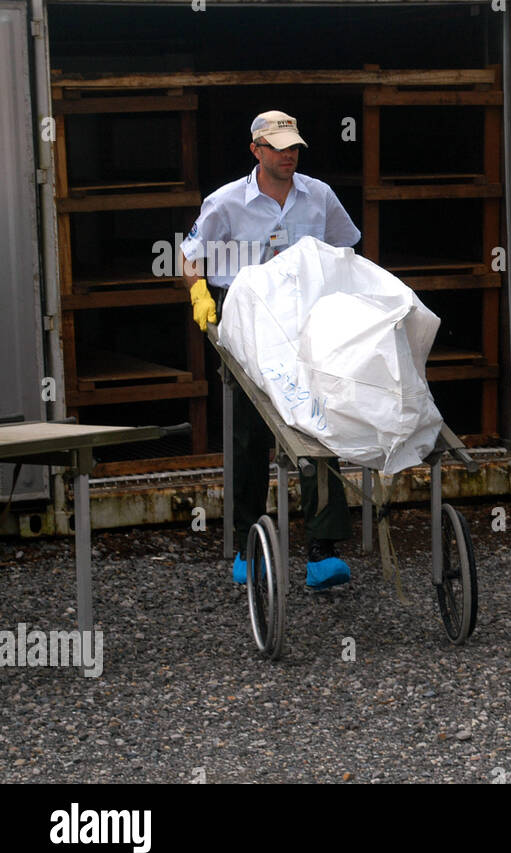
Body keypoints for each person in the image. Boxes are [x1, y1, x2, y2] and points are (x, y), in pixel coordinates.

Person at [182, 110, 361, 590]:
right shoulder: (226, 202)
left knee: (315, 422)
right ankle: (248, 545)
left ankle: (323, 551)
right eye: (279, 148)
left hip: (304, 316)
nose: (289, 155)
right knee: (249, 433)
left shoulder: (318, 196)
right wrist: (199, 293)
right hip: (246, 318)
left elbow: (345, 247)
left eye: (294, 147)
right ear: (256, 150)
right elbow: (192, 254)